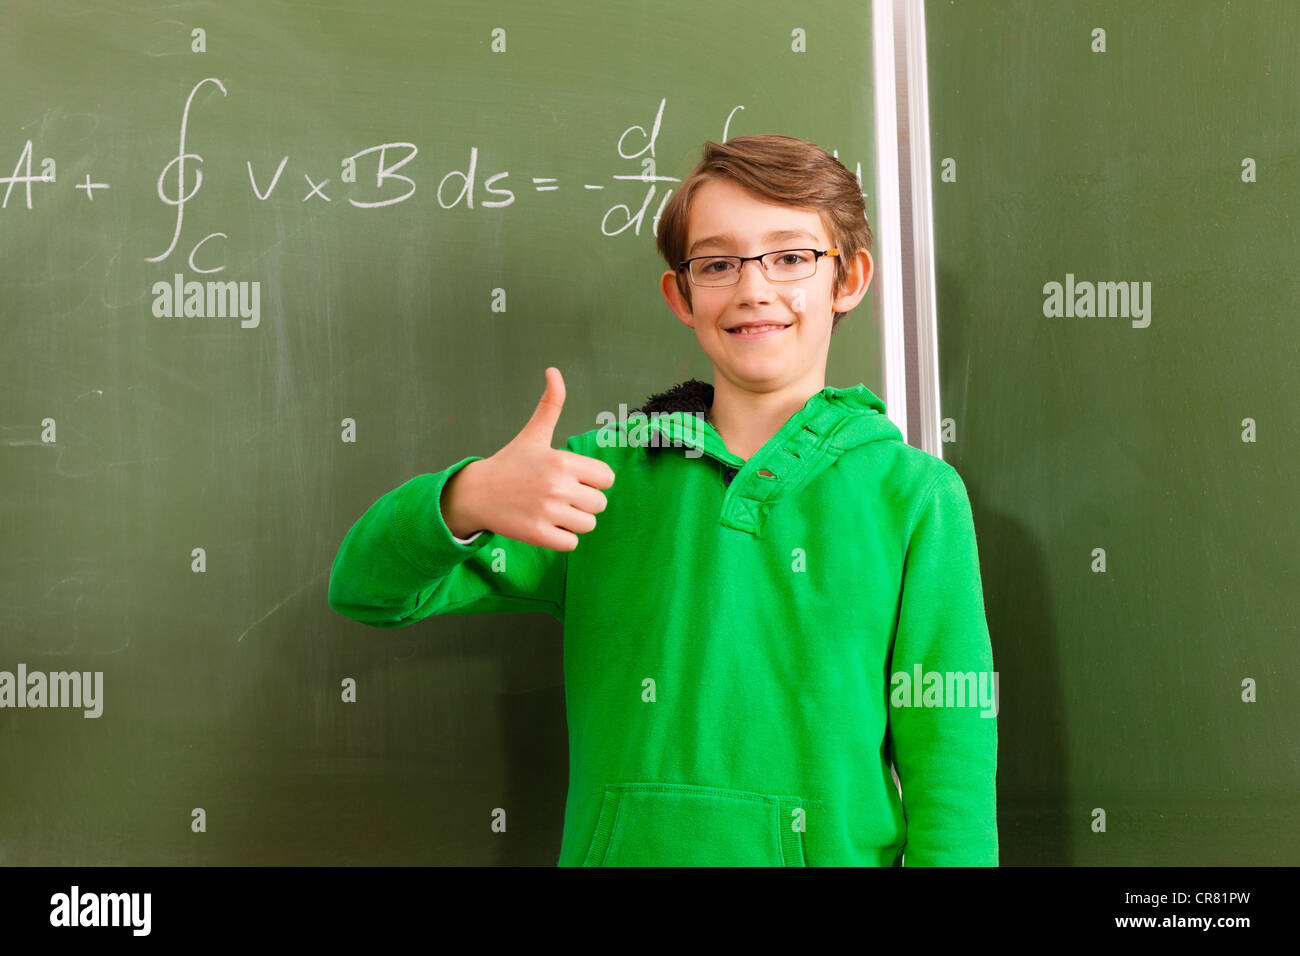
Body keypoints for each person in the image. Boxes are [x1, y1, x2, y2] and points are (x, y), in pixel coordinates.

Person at [328, 133, 998, 866]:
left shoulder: (916, 497)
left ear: (848, 278)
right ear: (681, 294)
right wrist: (465, 497)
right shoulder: (587, 480)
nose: (753, 289)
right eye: (717, 264)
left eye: (791, 257)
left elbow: (952, 771)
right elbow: (366, 591)